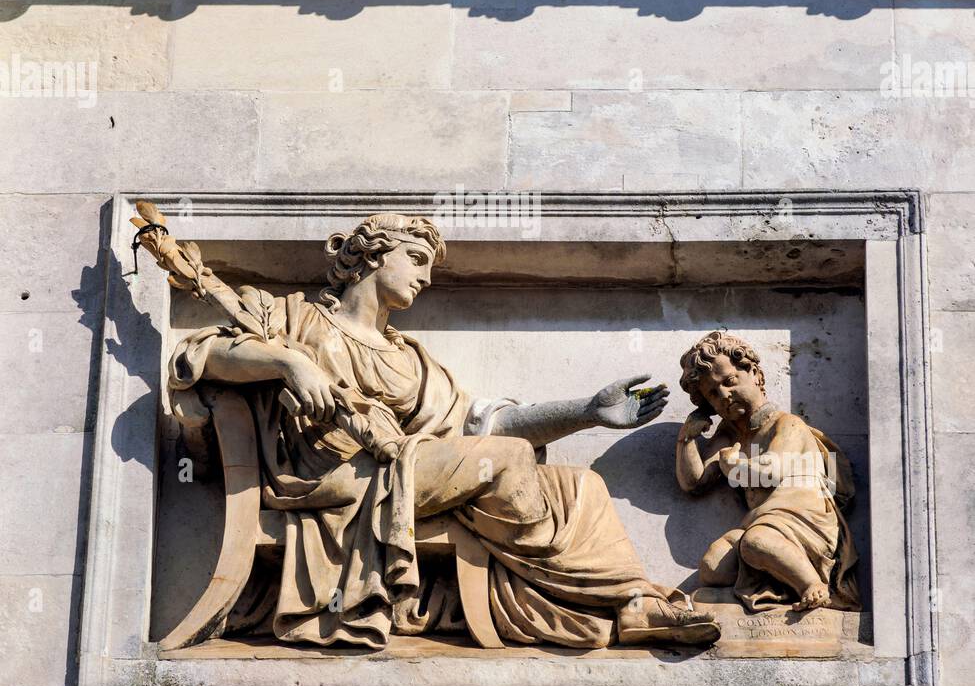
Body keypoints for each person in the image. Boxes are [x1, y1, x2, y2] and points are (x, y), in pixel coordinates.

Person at [169, 212, 720, 651]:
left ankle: (633, 606)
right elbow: (202, 354)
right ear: (372, 255)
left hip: (407, 465)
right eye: (415, 259)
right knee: (503, 461)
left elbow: (486, 426)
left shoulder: (412, 359)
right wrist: (289, 364)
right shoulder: (294, 318)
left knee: (578, 485)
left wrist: (589, 410)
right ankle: (595, 599)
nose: (426, 276)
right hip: (337, 476)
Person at [675, 330, 859, 613]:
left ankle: (812, 586)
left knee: (756, 542)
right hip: (762, 520)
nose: (724, 394)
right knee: (713, 567)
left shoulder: (786, 424)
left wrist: (733, 466)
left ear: (755, 375)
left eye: (730, 381)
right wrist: (687, 439)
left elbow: (772, 472)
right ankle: (774, 585)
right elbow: (695, 482)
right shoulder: (731, 433)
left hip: (801, 518)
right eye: (713, 393)